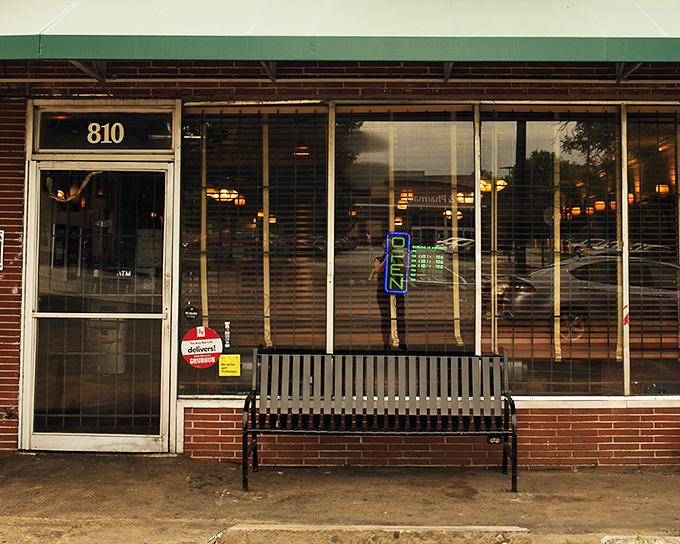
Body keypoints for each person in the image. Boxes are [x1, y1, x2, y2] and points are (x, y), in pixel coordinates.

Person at [373, 250, 406, 350]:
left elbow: (403, 270)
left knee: (400, 317)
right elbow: (378, 270)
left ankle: (402, 342)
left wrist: (396, 257)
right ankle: (386, 343)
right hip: (383, 290)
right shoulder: (379, 259)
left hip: (397, 289)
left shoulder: (399, 259)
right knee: (385, 317)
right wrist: (387, 257)